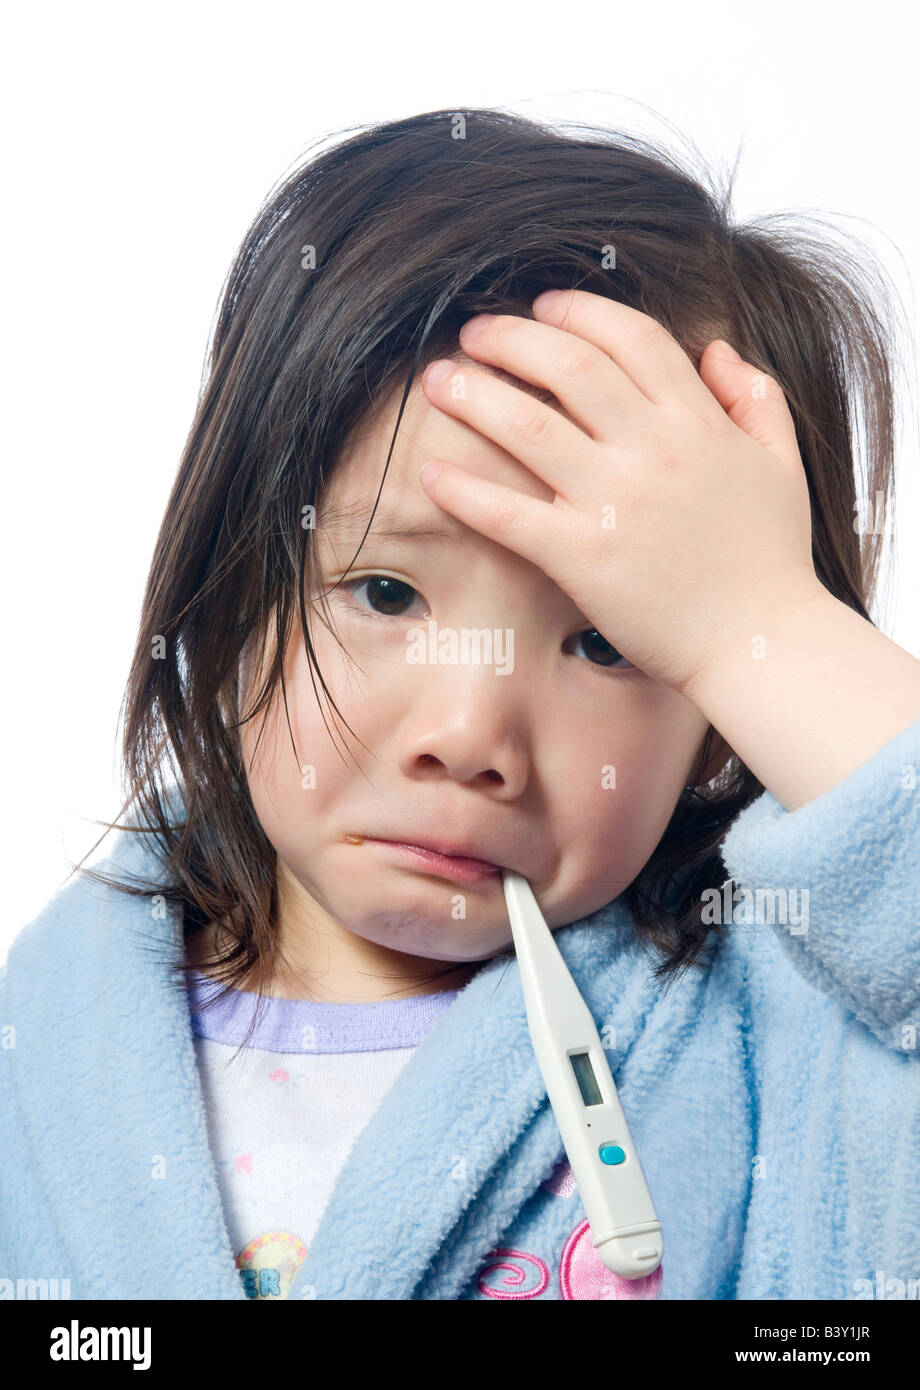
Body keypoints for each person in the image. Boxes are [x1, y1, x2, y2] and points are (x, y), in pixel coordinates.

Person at [2, 107, 919, 1302]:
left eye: (608, 638)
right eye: (384, 590)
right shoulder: (46, 1048)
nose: (471, 739)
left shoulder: (780, 1047)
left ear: (713, 725)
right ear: (230, 589)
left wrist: (772, 625)